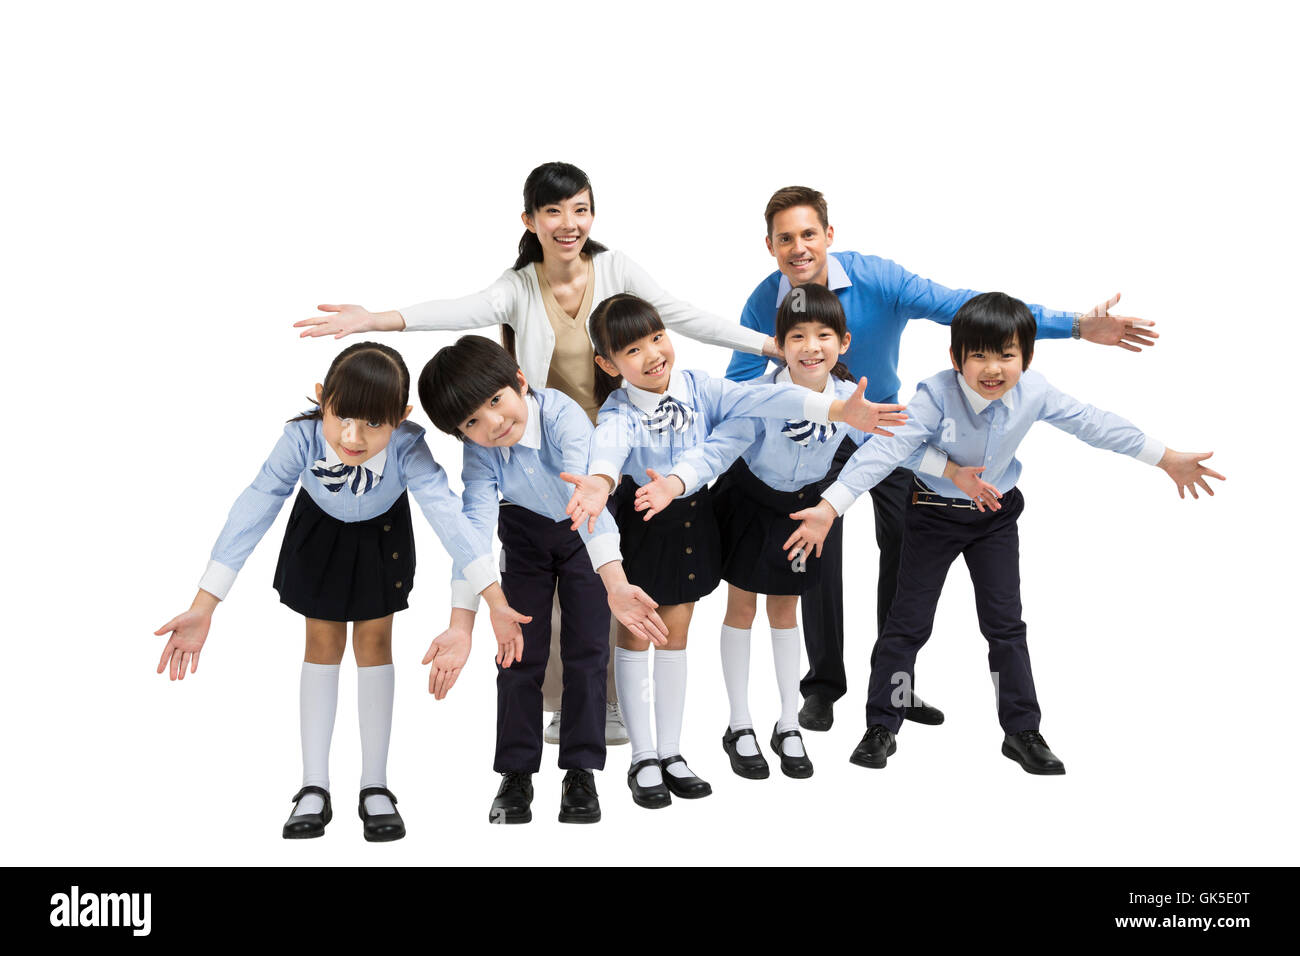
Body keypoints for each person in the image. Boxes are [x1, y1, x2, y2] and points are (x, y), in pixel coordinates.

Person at [294, 161, 781, 747]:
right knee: (546, 591)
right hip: (530, 444)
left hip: (613, 445)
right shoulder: (519, 285)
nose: (568, 223)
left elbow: (679, 316)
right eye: (553, 211)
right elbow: (462, 309)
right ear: (530, 221)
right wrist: (380, 320)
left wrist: (766, 344)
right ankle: (564, 703)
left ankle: (611, 703)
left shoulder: (617, 268)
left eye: (579, 209)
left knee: (606, 570)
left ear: (592, 213)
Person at [726, 185, 1160, 733]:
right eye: (785, 239)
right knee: (815, 555)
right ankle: (822, 687)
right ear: (770, 245)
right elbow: (739, 387)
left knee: (905, 552)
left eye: (808, 234)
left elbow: (970, 308)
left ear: (828, 235)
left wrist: (1074, 325)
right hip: (809, 436)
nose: (798, 248)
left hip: (886, 430)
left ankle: (896, 692)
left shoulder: (877, 279)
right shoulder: (763, 302)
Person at [783, 293, 1223, 773]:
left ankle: (1021, 731)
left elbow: (1094, 424)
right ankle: (883, 724)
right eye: (979, 356)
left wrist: (1165, 457)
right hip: (932, 514)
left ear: (1026, 358)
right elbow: (886, 452)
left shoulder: (1034, 391)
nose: (993, 368)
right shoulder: (934, 396)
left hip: (995, 517)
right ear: (956, 359)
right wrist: (831, 505)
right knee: (907, 625)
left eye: (1007, 355)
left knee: (1005, 626)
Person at [153, 342, 530, 841]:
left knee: (375, 644)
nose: (354, 437)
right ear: (321, 398)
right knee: (322, 644)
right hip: (319, 535)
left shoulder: (408, 445)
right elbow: (255, 506)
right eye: (343, 418)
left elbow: (448, 516)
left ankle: (375, 785)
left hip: (382, 538)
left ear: (401, 417)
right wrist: (205, 605)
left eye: (375, 423)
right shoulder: (300, 438)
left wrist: (494, 600)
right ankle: (313, 786)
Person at [564, 293, 906, 808]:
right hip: (644, 520)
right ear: (608, 364)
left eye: (657, 338)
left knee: (677, 633)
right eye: (633, 350)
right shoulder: (617, 411)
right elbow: (610, 445)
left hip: (694, 518)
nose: (653, 354)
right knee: (638, 635)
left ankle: (673, 752)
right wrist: (598, 479)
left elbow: (767, 402)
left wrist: (837, 408)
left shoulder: (701, 386)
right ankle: (642, 756)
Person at [419, 334, 670, 825]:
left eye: (496, 401)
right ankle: (516, 774)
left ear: (519, 381)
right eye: (471, 421)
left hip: (585, 527)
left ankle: (581, 771)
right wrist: (463, 621)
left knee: (588, 650)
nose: (492, 424)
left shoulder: (562, 417)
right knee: (517, 651)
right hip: (525, 533)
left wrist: (615, 583)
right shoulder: (481, 453)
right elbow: (471, 530)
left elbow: (586, 503)